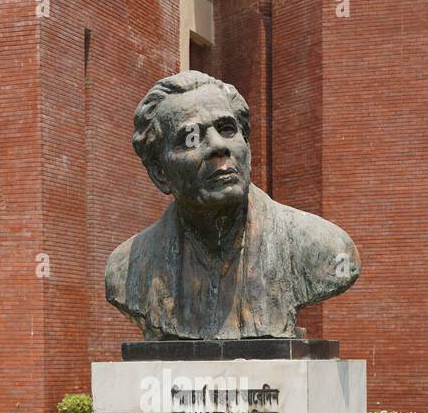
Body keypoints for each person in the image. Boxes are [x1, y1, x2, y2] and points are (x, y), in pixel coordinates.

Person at [105, 70, 360, 340]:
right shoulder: (126, 269)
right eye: (191, 137)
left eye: (227, 129)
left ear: (247, 147)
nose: (218, 146)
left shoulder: (326, 248)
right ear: (160, 173)